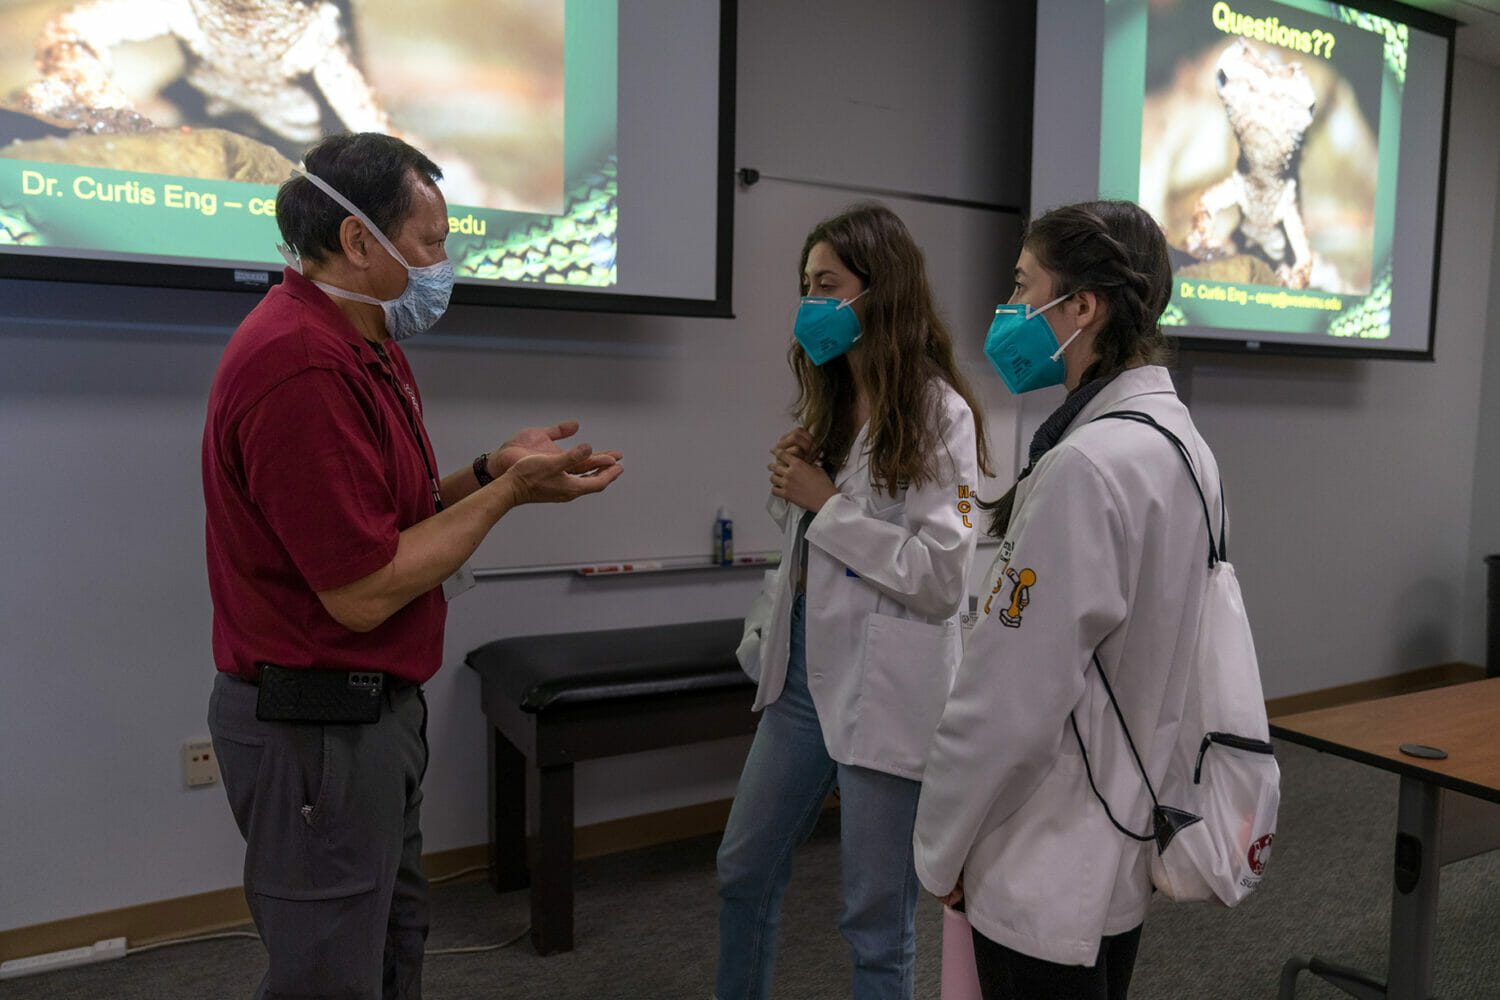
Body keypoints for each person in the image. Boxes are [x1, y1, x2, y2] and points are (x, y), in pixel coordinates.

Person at [201, 131, 622, 999]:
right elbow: (359, 593)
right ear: (360, 242)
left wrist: (490, 476)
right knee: (329, 971)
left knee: (390, 946)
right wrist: (506, 500)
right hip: (319, 726)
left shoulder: (367, 345)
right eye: (431, 241)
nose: (443, 260)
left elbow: (387, 519)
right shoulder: (299, 364)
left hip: (371, 717)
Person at [913, 199, 1223, 1000]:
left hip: (1037, 864)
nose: (1009, 310)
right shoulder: (1183, 446)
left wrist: (942, 850)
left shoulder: (1087, 466)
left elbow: (1008, 702)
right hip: (1116, 853)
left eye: (1023, 288)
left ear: (1081, 306)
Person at [716, 202, 992, 1000]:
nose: (810, 302)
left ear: (880, 291)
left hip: (886, 690)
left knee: (874, 922)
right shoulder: (833, 402)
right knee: (742, 869)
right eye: (806, 285)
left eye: (827, 283)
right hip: (802, 673)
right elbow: (819, 551)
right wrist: (797, 489)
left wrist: (826, 502)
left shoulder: (942, 413)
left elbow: (942, 581)